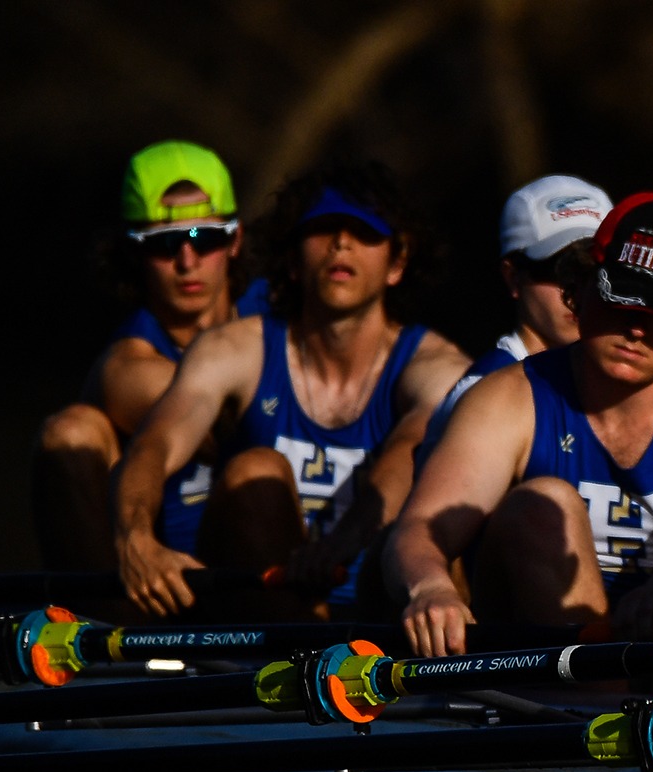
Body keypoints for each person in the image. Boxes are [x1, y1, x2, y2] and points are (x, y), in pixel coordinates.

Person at [112, 160, 469, 618]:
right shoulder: (232, 350)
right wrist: (134, 537)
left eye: (363, 232)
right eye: (323, 230)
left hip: (384, 608)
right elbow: (154, 444)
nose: (341, 243)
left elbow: (407, 449)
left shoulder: (436, 366)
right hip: (268, 604)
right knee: (253, 471)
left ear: (397, 262)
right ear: (292, 259)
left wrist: (339, 546)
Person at [388, 193, 653, 657]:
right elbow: (419, 528)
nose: (636, 329)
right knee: (541, 504)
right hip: (545, 660)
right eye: (623, 301)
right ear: (581, 287)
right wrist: (430, 587)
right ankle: (596, 707)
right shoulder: (509, 397)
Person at [35, 140, 268, 570]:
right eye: (165, 244)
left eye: (206, 237)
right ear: (133, 253)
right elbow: (246, 428)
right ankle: (107, 619)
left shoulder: (284, 312)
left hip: (274, 559)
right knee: (70, 431)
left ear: (236, 241)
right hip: (174, 584)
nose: (187, 260)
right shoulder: (128, 364)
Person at [412, 174, 612, 470]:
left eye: (596, 270)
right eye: (560, 270)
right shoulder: (479, 397)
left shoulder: (632, 385)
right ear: (513, 276)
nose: (578, 290)